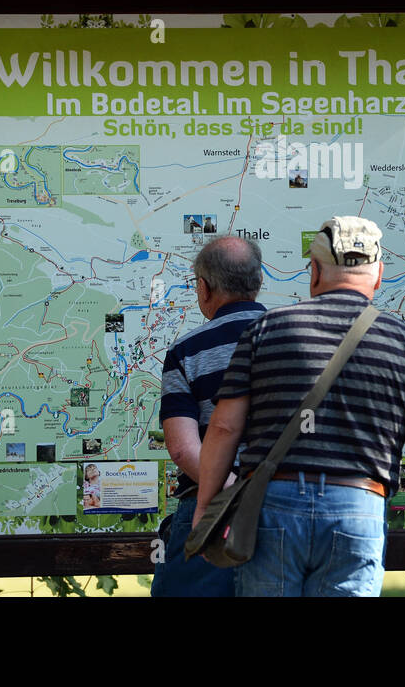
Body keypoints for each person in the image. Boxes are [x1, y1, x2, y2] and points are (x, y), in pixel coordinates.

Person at [193, 216, 405, 597]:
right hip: (359, 505)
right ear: (378, 275)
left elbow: (224, 428)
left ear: (313, 271)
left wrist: (205, 509)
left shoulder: (266, 330)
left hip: (273, 507)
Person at [151, 235, 266, 597]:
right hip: (283, 508)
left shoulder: (186, 352)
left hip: (210, 510)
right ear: (258, 281)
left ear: (203, 288)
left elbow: (184, 449)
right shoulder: (293, 336)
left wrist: (233, 490)